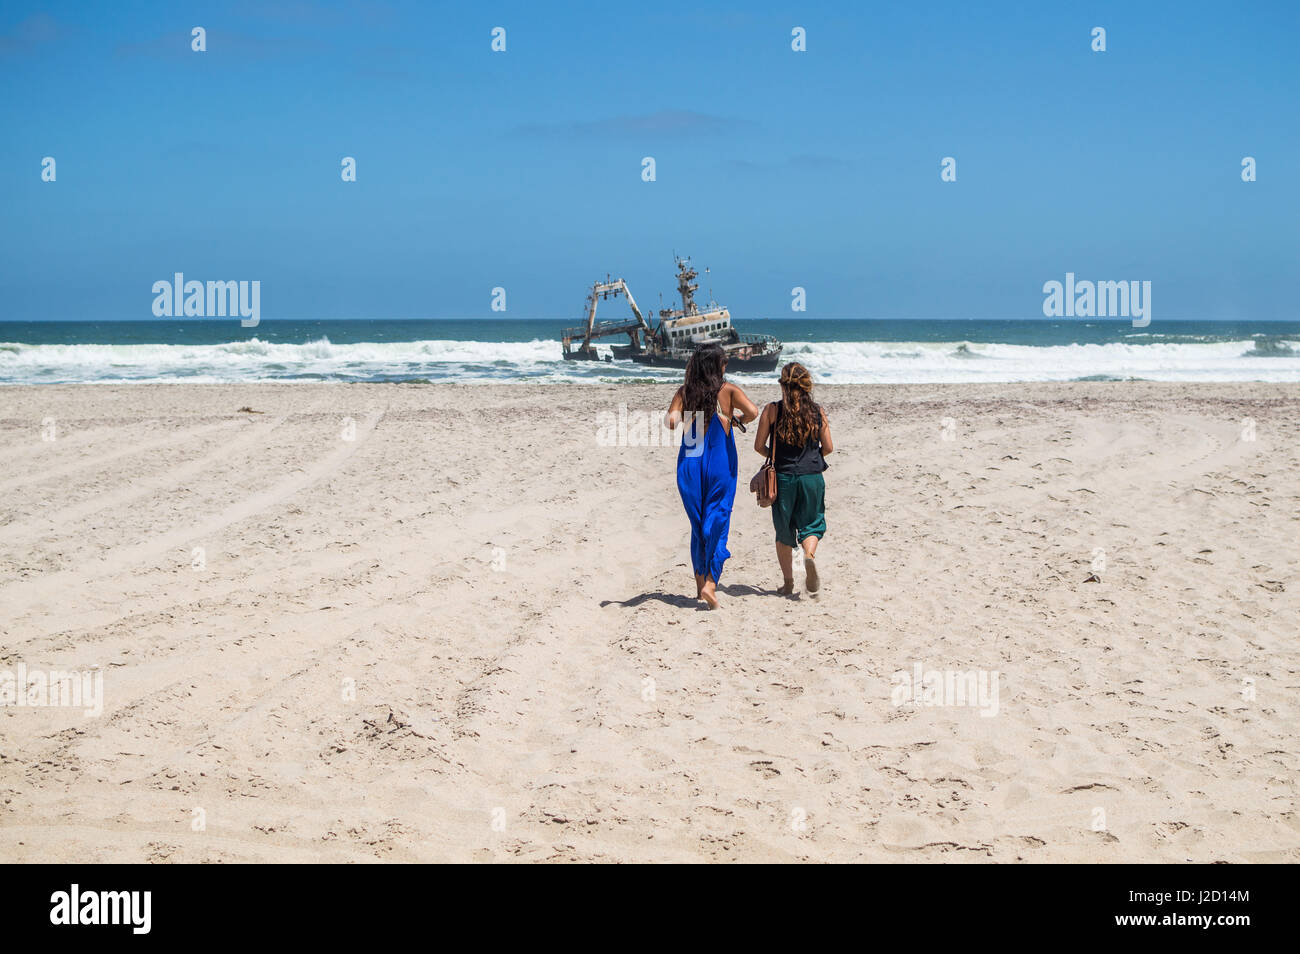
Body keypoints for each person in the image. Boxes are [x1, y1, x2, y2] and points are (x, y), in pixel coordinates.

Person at [665, 344, 758, 609]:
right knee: (717, 518)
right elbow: (752, 411)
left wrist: (680, 416)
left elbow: (671, 422)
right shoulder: (728, 391)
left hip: (692, 458)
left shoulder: (685, 392)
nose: (726, 367)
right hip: (719, 460)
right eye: (724, 363)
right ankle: (710, 584)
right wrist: (736, 419)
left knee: (698, 525)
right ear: (716, 367)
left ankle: (699, 586)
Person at [753, 362, 832, 596]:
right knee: (812, 524)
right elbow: (828, 447)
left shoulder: (771, 410)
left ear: (782, 385)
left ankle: (788, 584)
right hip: (812, 477)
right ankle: (808, 556)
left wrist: (776, 456)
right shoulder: (817, 411)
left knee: (784, 532)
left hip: (783, 478)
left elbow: (759, 446)